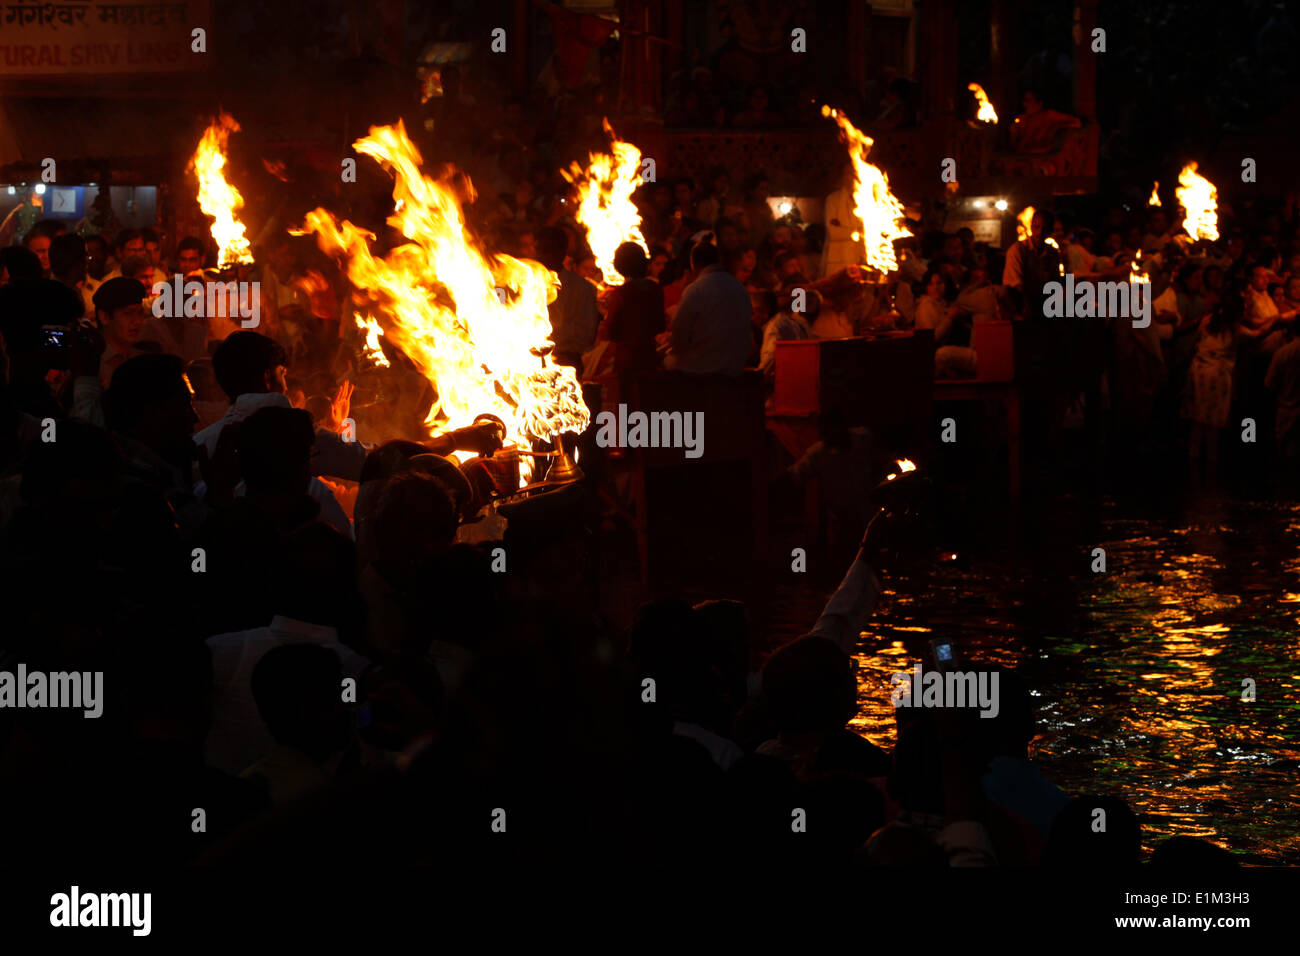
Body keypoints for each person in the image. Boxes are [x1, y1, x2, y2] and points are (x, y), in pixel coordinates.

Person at [665, 241, 753, 376]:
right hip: (735, 366)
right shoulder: (740, 288)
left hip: (702, 368)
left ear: (693, 264)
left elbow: (679, 337)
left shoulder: (695, 290)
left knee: (667, 362)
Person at [602, 241, 665, 386]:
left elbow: (611, 330)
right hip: (649, 355)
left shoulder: (621, 293)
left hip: (626, 358)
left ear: (619, 266)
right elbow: (660, 325)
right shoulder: (655, 289)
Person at [536, 226, 599, 370]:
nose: (543, 255)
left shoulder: (584, 288)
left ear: (562, 252)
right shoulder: (523, 282)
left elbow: (585, 334)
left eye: (549, 250)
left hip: (566, 362)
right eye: (541, 249)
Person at [915, 267, 976, 378]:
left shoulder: (943, 304)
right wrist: (949, 318)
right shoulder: (926, 306)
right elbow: (931, 339)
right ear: (926, 287)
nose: (936, 288)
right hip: (932, 358)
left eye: (939, 283)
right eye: (931, 284)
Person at [92, 276, 150, 389]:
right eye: (128, 313)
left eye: (140, 313)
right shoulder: (90, 364)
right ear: (104, 317)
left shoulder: (144, 358)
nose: (137, 321)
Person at [1009, 90, 1081, 153]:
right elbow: (1014, 145)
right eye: (1024, 101)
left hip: (1044, 157)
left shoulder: (1049, 116)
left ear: (1039, 103)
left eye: (1028, 101)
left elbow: (1076, 122)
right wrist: (1014, 133)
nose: (1025, 104)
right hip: (1023, 157)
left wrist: (1063, 129)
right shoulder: (1022, 118)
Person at [822, 164, 860, 278]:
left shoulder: (868, 201)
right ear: (843, 176)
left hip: (859, 256)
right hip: (838, 258)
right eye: (849, 173)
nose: (852, 177)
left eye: (855, 173)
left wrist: (845, 229)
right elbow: (833, 232)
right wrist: (859, 231)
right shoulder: (833, 200)